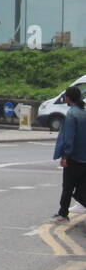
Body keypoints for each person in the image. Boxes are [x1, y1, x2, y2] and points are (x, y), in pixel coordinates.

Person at [53, 85, 86, 221]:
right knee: (82, 188)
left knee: (68, 186)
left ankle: (63, 213)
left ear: (68, 98)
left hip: (74, 157)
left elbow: (69, 138)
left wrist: (65, 156)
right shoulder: (84, 112)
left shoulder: (72, 114)